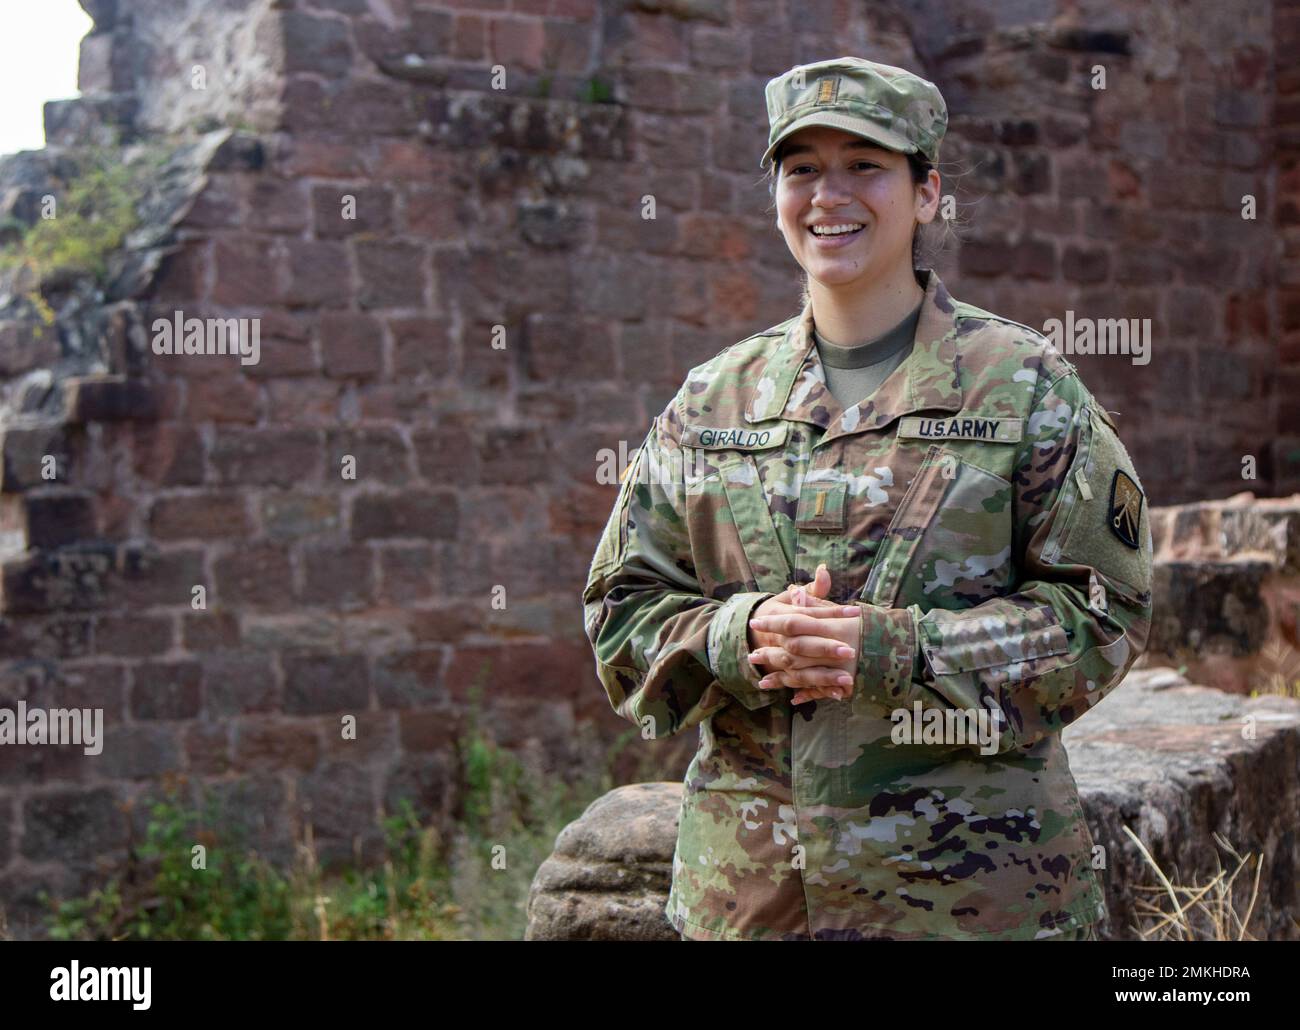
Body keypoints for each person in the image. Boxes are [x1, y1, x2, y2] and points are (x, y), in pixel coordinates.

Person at [581, 56, 1153, 941]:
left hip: (976, 905)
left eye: (865, 165)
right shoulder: (713, 402)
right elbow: (621, 616)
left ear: (926, 194)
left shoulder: (1022, 388)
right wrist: (742, 637)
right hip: (758, 904)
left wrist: (898, 650)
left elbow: (1103, 616)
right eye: (801, 168)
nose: (828, 195)